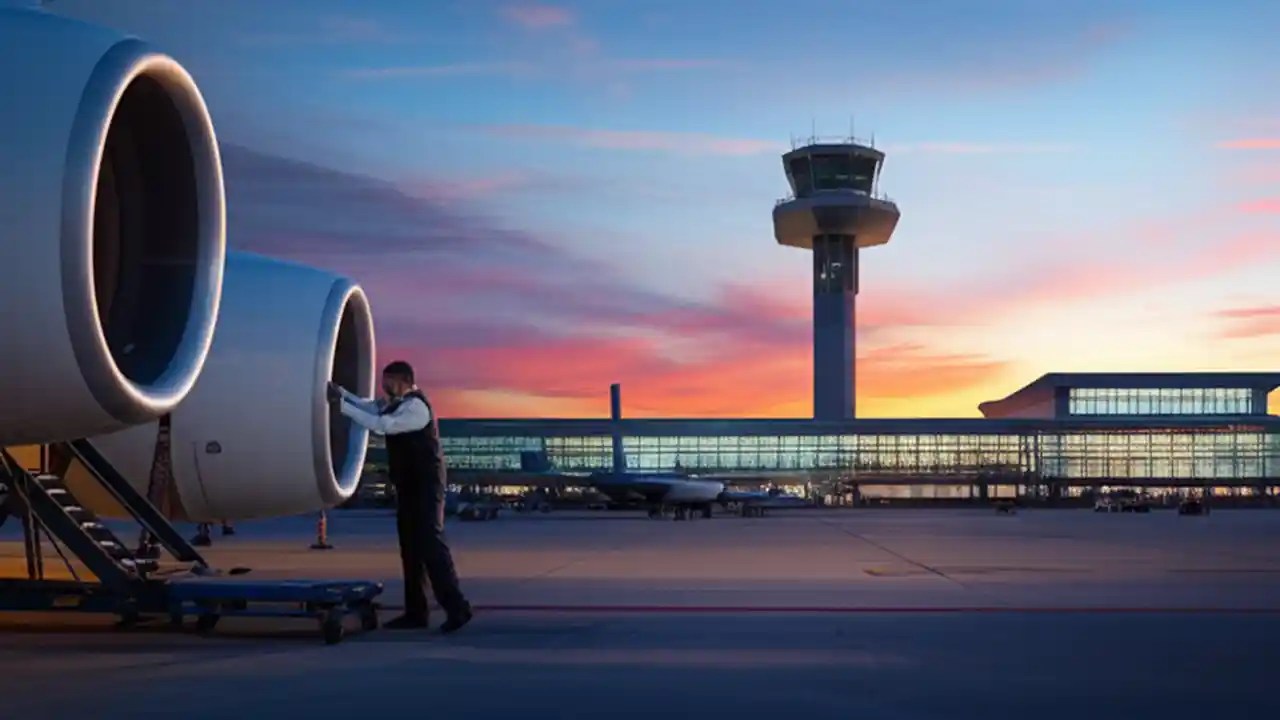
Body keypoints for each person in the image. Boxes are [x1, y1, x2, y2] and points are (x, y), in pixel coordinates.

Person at [327, 361, 472, 633]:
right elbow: (370, 407)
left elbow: (382, 425)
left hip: (426, 484)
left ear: (403, 380)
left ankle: (457, 608)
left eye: (388, 381)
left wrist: (341, 407)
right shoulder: (395, 402)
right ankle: (416, 613)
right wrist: (343, 394)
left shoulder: (415, 408)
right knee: (411, 549)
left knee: (431, 545)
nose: (384, 387)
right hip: (408, 485)